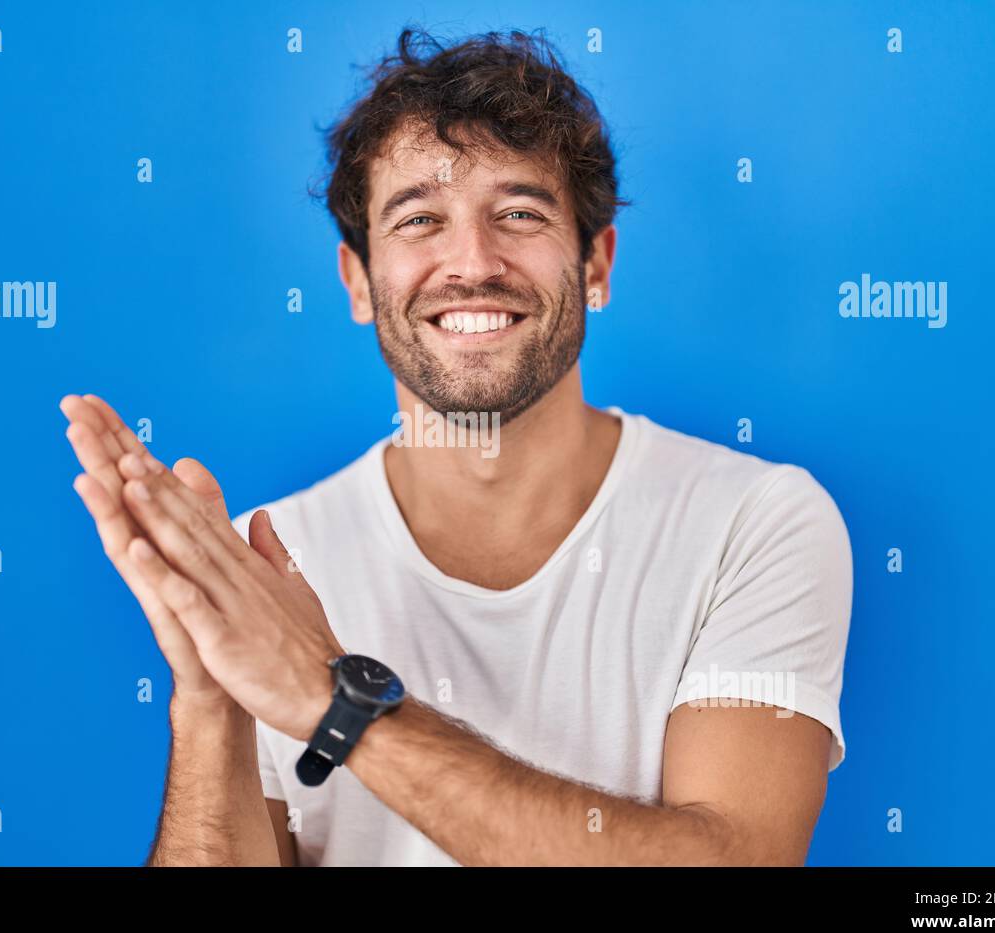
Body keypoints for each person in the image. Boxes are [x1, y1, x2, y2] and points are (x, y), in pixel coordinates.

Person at [61, 27, 852, 866]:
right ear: (358, 282)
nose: (472, 263)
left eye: (518, 213)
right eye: (419, 220)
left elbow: (737, 858)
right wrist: (211, 702)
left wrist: (339, 704)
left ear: (596, 265)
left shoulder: (755, 522)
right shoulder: (269, 570)